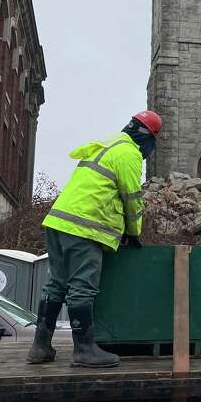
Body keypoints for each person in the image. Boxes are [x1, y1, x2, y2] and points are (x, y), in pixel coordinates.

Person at [27, 110, 161, 368]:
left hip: (58, 221)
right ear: (148, 138)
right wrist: (133, 233)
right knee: (82, 287)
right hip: (84, 227)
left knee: (56, 284)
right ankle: (84, 350)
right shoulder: (129, 153)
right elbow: (132, 199)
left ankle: (40, 347)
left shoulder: (108, 144)